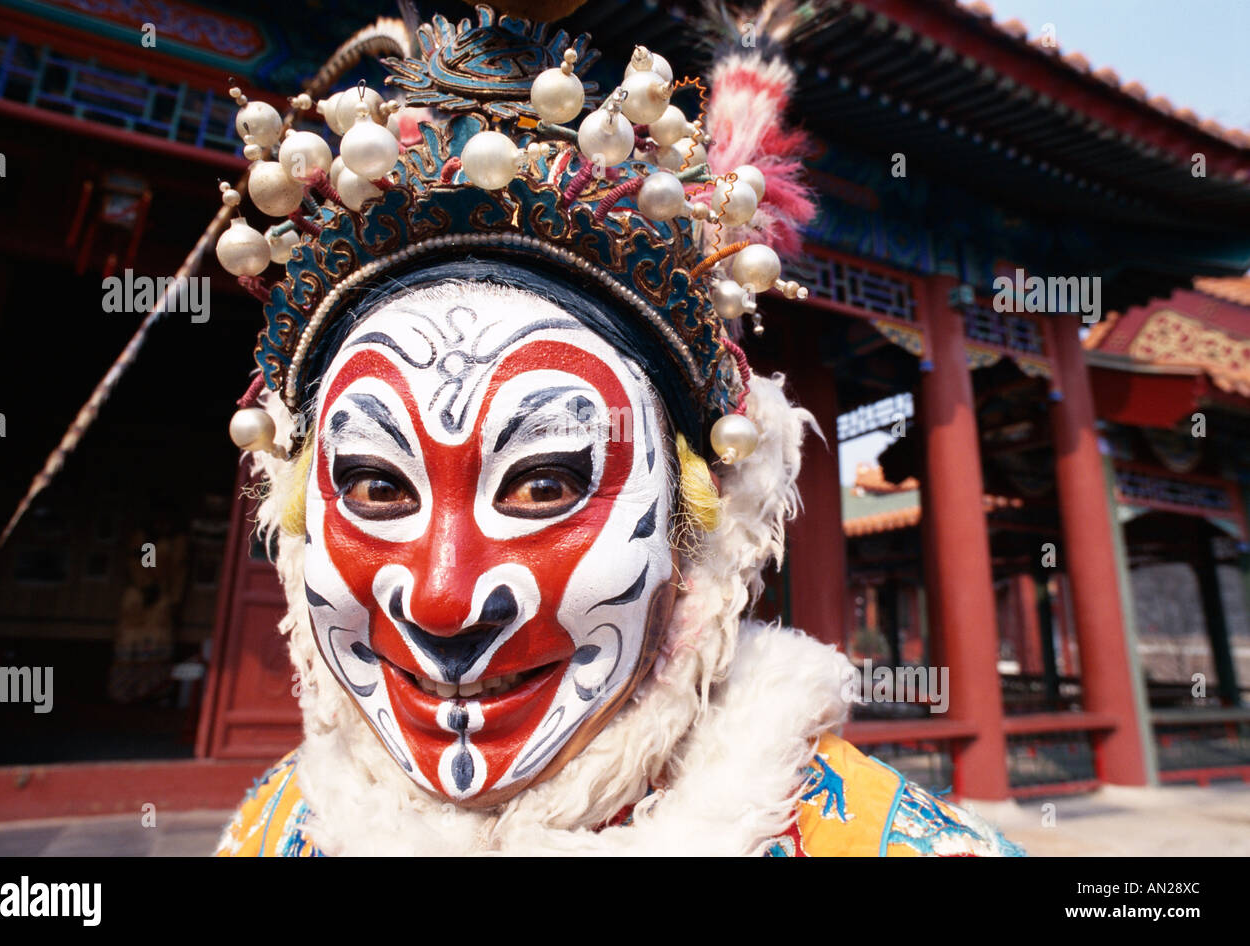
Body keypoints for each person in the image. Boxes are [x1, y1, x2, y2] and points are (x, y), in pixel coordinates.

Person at [211, 3, 1023, 856]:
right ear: (300, 517)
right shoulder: (278, 827)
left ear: (693, 529)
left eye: (545, 483)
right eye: (377, 486)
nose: (444, 600)